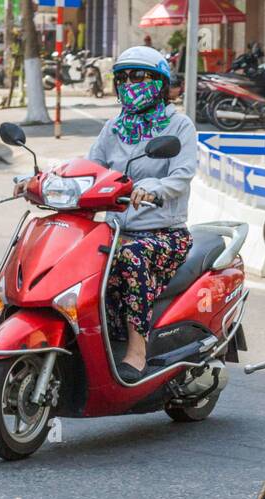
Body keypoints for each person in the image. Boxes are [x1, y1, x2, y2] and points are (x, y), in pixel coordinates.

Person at [21, 46, 196, 383]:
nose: (130, 83)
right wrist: (43, 181)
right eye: (124, 77)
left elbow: (182, 175)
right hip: (114, 230)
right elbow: (89, 169)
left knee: (129, 258)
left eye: (139, 76)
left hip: (163, 233)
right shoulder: (115, 127)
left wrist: (152, 189)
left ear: (159, 83)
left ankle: (136, 350)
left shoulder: (179, 126)